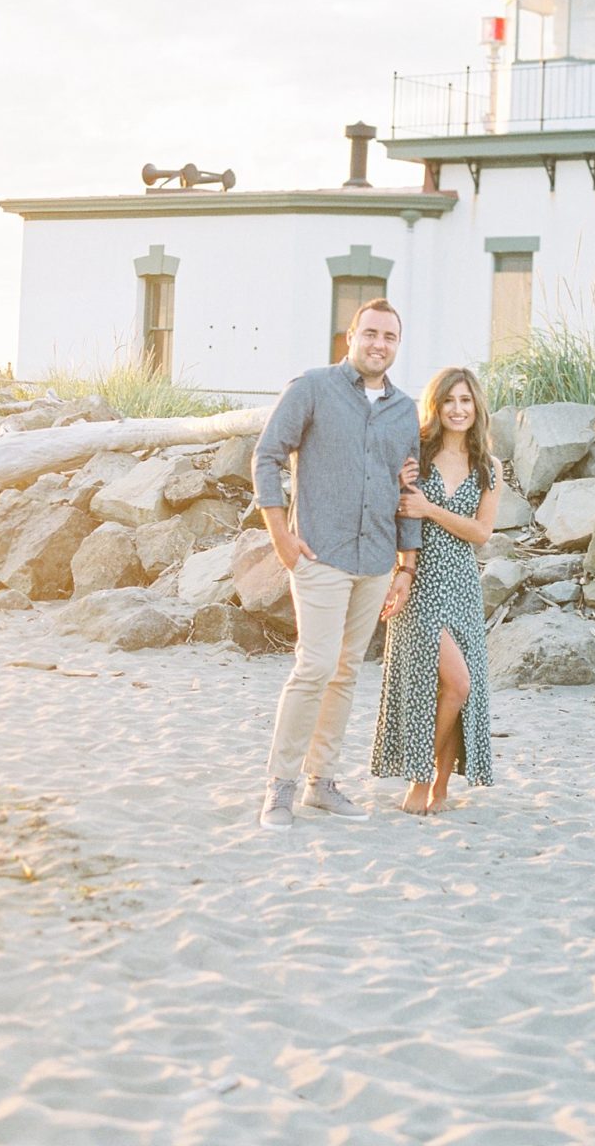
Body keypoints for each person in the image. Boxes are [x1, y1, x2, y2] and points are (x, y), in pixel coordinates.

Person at [254, 300, 420, 832]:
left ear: (397, 345)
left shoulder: (404, 411)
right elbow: (266, 456)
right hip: (319, 554)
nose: (379, 344)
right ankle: (278, 787)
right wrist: (280, 535)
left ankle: (320, 783)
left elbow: (407, 489)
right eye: (370, 333)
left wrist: (405, 565)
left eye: (389, 337)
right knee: (315, 666)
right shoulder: (312, 387)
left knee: (346, 672)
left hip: (375, 559)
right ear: (350, 336)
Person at [371, 366, 502, 815]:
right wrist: (398, 570)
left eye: (466, 401)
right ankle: (419, 776)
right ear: (437, 405)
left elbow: (481, 532)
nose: (458, 409)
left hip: (463, 585)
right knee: (449, 681)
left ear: (476, 407)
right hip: (420, 580)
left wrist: (430, 508)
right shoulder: (417, 456)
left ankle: (440, 787)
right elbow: (395, 513)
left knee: (454, 688)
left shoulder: (488, 467)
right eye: (450, 401)